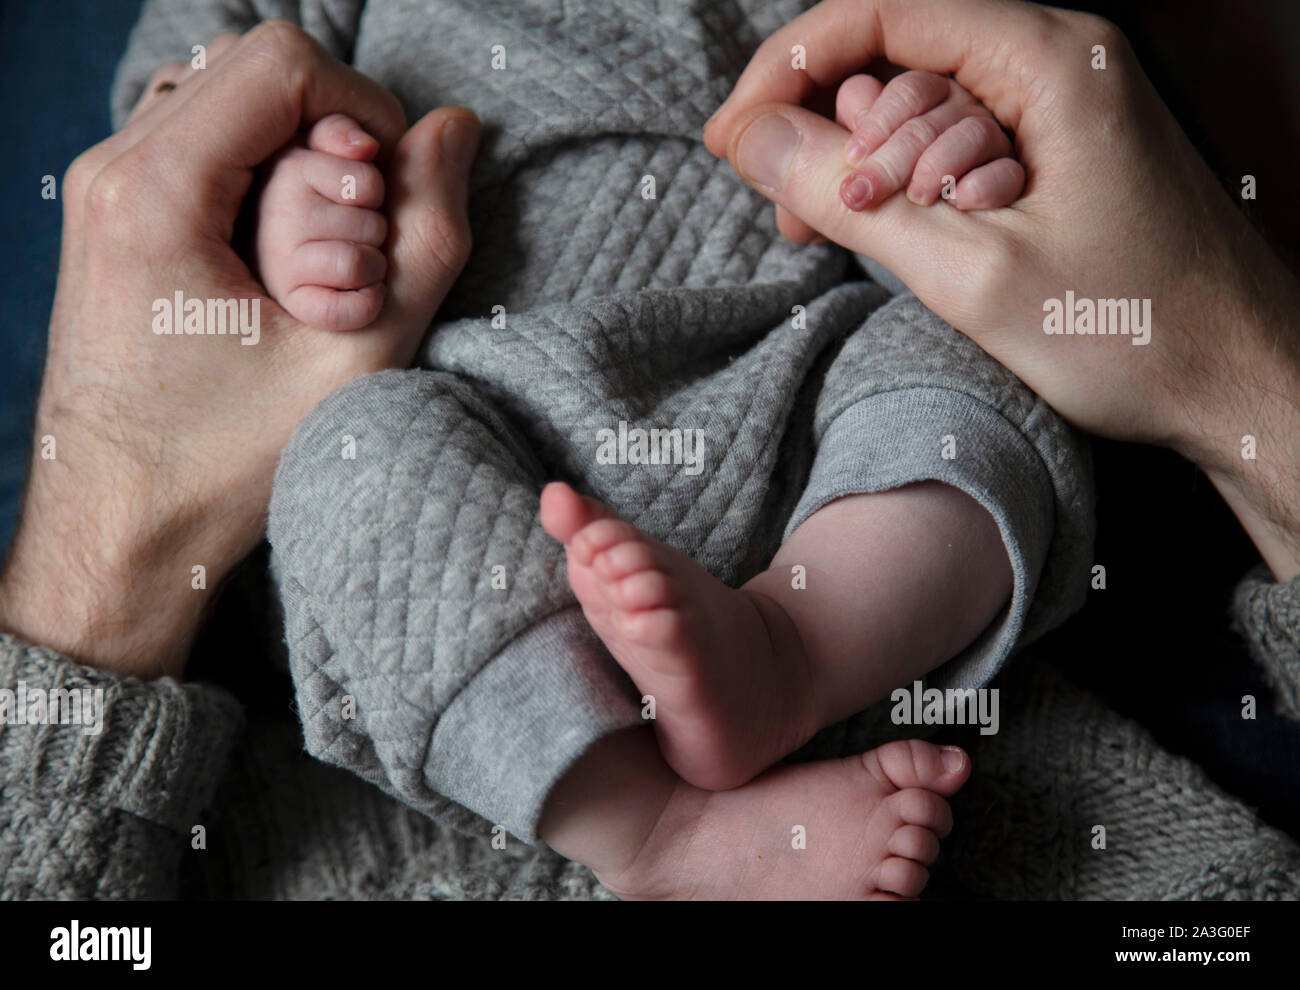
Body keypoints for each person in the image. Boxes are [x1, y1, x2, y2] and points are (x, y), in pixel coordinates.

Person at [0, 1, 1296, 902]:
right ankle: (657, 828)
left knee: (974, 376)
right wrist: (296, 200)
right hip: (479, 432)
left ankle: (792, 649)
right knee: (347, 455)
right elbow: (176, 118)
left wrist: (934, 131)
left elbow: (968, 89)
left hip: (794, 381)